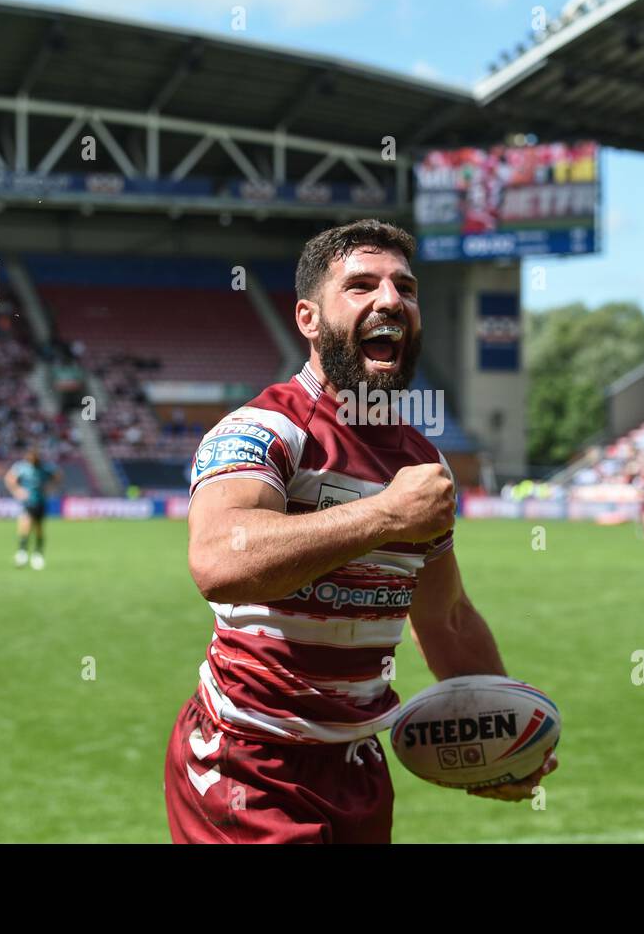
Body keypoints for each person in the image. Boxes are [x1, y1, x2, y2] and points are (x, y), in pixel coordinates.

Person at [165, 219, 556, 844]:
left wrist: (502, 735)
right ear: (308, 319)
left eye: (405, 286)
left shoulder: (422, 463)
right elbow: (218, 558)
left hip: (358, 769)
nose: (390, 301)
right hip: (247, 766)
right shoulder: (261, 431)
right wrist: (384, 516)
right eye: (361, 286)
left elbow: (447, 619)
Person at [4, 447, 59, 570]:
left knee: (39, 528)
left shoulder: (45, 468)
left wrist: (50, 488)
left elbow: (58, 476)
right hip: (27, 502)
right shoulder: (21, 467)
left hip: (41, 501)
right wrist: (17, 490)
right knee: (25, 525)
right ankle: (22, 553)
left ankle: (38, 554)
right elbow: (9, 479)